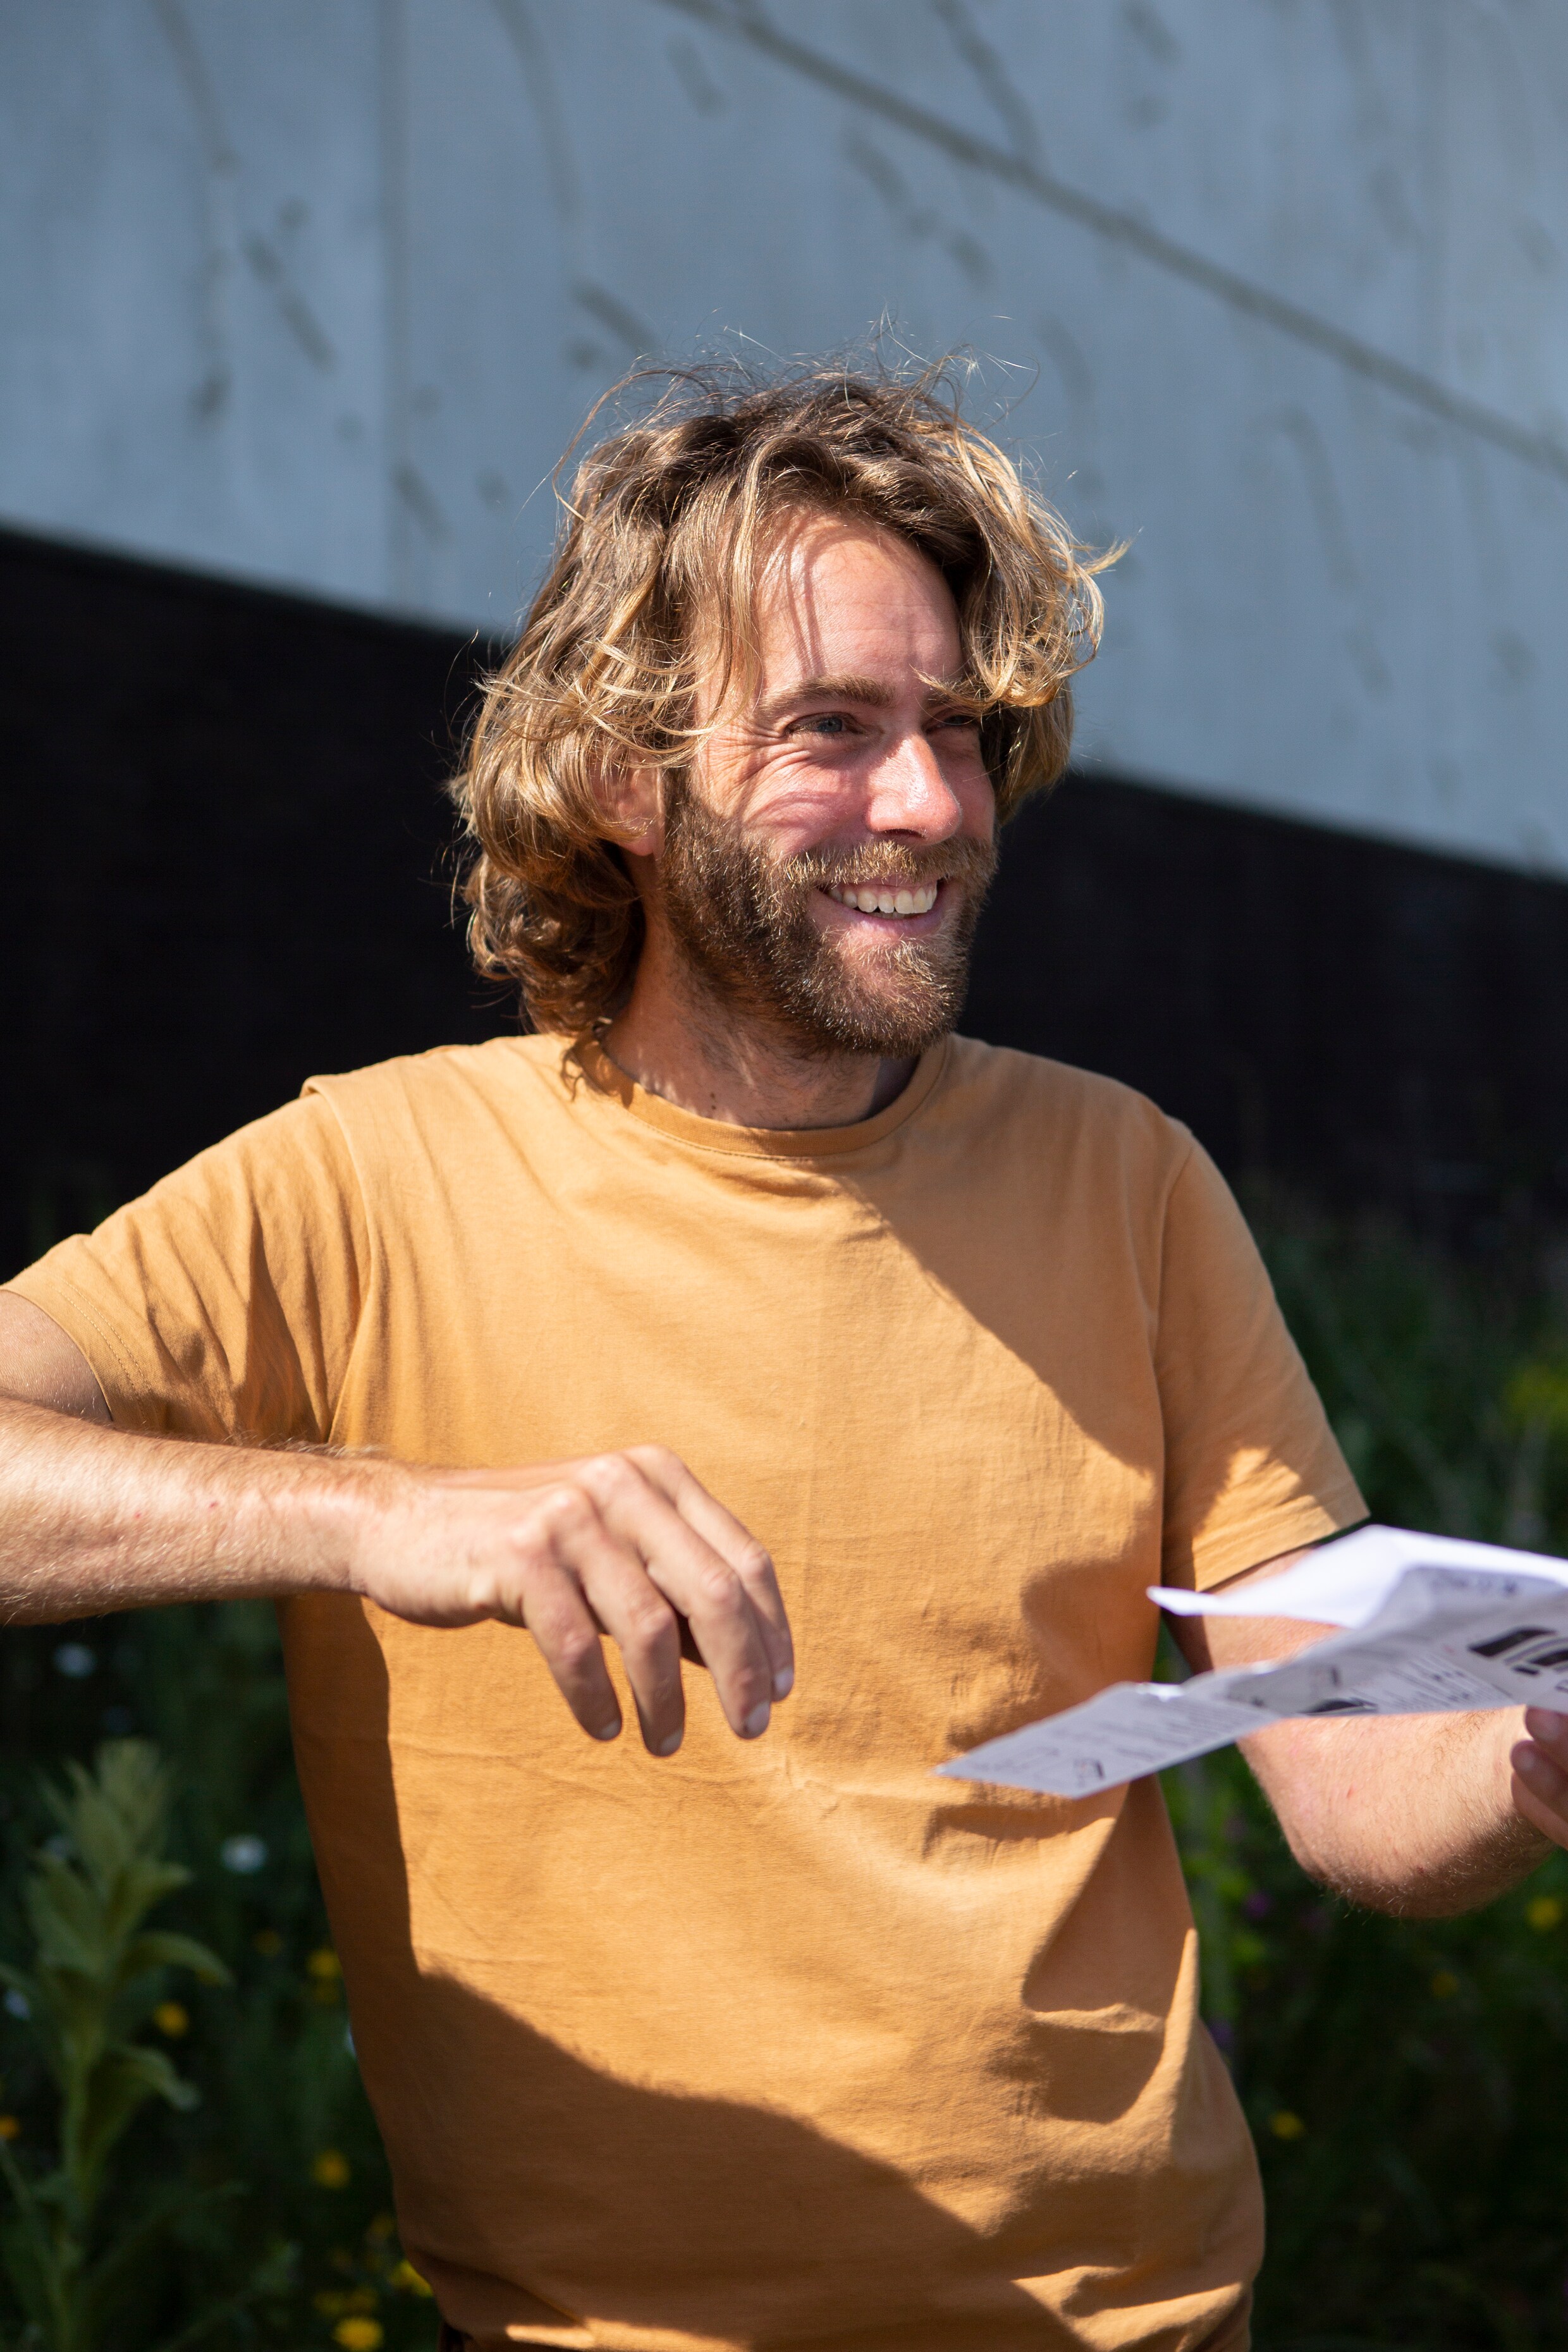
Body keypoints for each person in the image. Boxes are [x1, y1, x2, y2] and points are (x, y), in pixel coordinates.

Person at [3, 362, 1565, 2352]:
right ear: (619, 780)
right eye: (832, 730)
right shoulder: (377, 1178)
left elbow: (1342, 1767)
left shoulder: (1130, 1179)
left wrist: (1525, 1759)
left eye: (963, 734)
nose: (928, 804)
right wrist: (379, 1513)